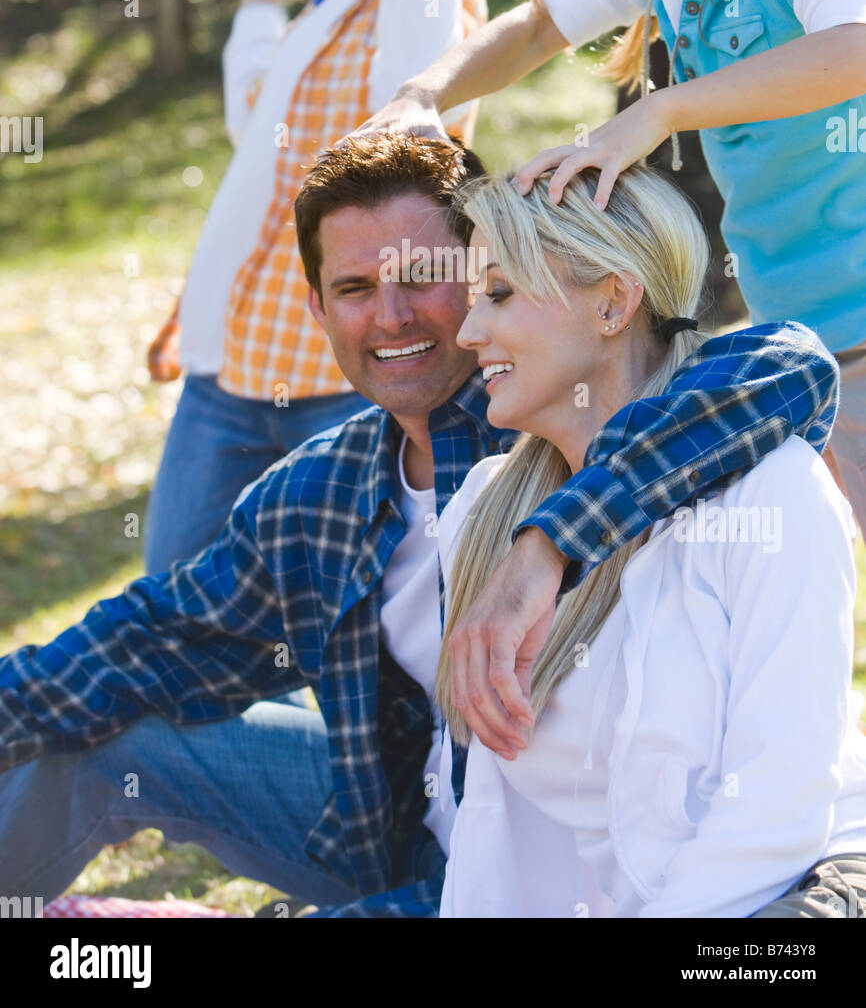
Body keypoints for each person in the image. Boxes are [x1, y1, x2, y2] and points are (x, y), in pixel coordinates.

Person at [0, 135, 839, 917]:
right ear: (320, 310)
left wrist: (550, 542)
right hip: (419, 831)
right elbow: (139, 642)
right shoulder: (327, 493)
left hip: (664, 867)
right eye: (356, 289)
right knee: (98, 727)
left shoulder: (554, 408)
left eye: (427, 276)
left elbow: (787, 366)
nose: (394, 317)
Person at [352, 0, 866, 538]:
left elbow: (856, 47)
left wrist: (662, 109)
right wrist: (422, 96)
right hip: (802, 336)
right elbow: (542, 24)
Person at [432, 163, 866, 918]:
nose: (468, 333)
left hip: (812, 890)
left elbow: (780, 803)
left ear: (613, 301)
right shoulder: (482, 517)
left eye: (498, 293)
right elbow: (502, 827)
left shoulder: (773, 491)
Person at [142, 0, 509, 572]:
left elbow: (407, 132)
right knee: (169, 634)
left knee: (352, 665)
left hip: (351, 383)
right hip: (234, 370)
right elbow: (257, 130)